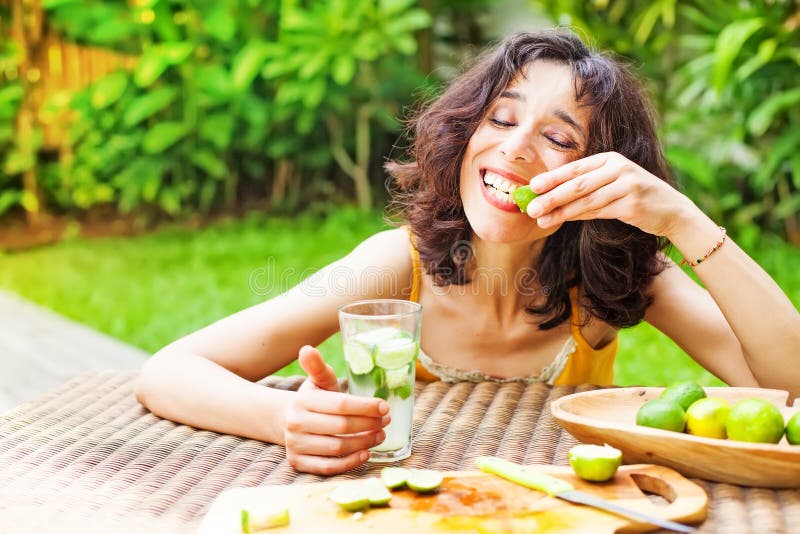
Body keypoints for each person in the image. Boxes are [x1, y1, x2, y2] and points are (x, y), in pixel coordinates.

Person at [135, 29, 800, 475]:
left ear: (604, 171)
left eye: (560, 139)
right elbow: (170, 370)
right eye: (502, 120)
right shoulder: (399, 264)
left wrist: (683, 221)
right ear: (465, 133)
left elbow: (790, 384)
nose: (514, 149)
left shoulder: (618, 280)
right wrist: (286, 416)